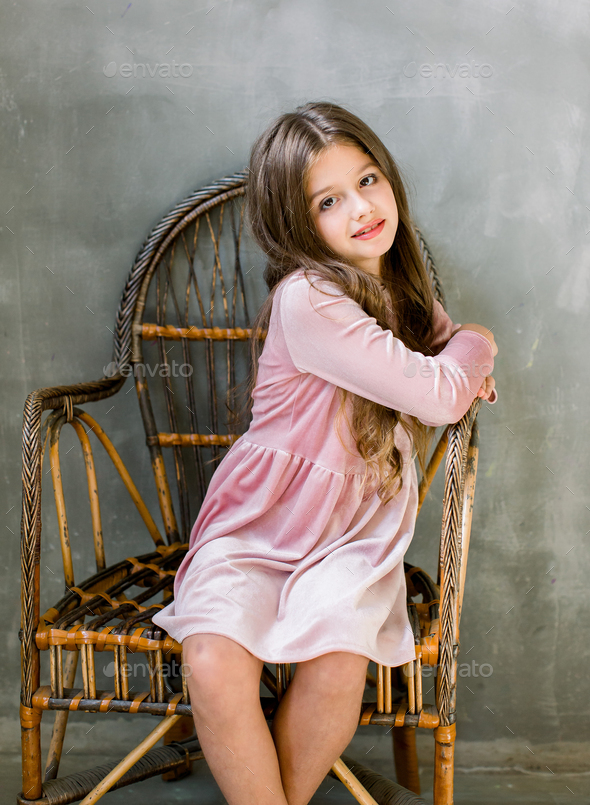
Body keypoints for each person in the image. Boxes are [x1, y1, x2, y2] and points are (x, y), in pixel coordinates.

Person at [152, 100, 498, 805]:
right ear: (295, 224)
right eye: (329, 200)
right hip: (260, 523)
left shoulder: (401, 292)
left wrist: (455, 353)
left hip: (351, 533)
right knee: (214, 659)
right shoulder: (309, 298)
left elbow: (441, 369)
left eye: (369, 180)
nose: (362, 208)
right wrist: (480, 340)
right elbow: (441, 391)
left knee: (340, 657)